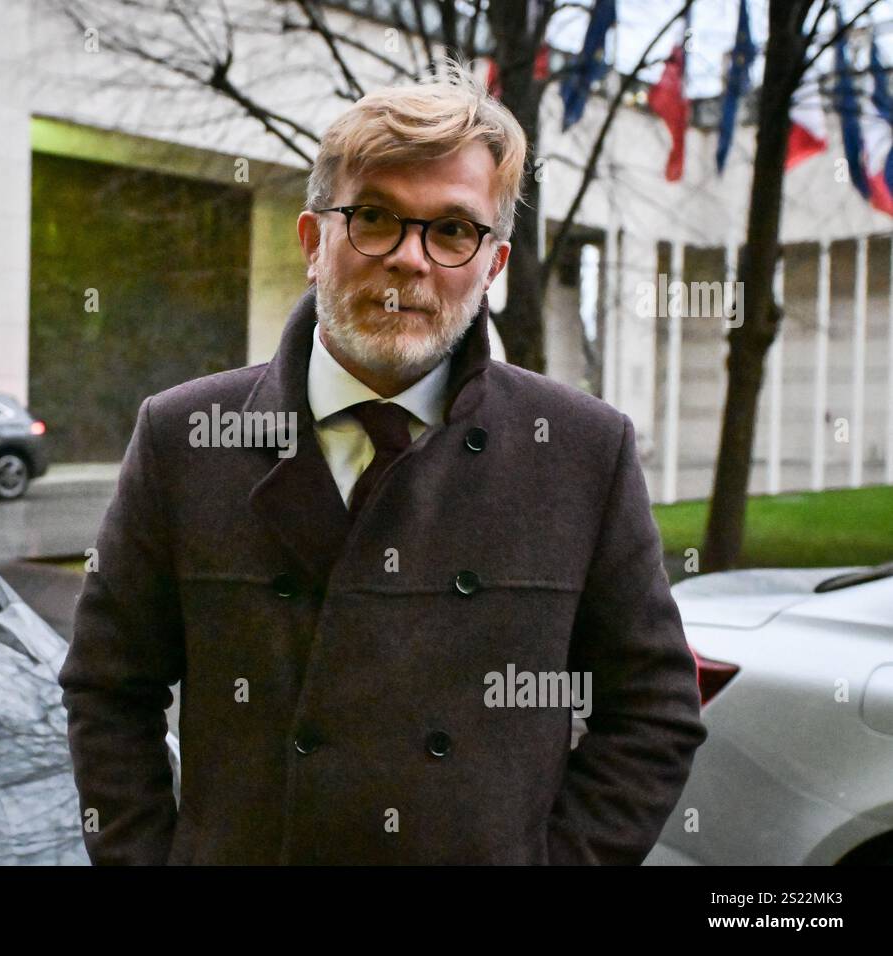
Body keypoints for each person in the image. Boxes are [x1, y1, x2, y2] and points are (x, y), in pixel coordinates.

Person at [58, 62, 707, 865]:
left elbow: (655, 712)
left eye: (453, 229)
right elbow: (108, 691)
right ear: (312, 240)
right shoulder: (184, 437)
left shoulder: (581, 450)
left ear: (494, 266)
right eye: (374, 218)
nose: (409, 259)